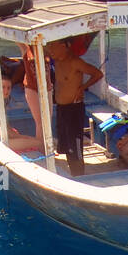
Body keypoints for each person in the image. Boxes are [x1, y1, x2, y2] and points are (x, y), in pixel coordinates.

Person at [48, 39, 103, 176]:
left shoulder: (75, 62)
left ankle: (80, 176)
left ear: (62, 46)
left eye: (52, 46)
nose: (50, 49)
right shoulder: (56, 61)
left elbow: (98, 74)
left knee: (75, 147)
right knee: (66, 146)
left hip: (74, 109)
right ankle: (73, 173)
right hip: (61, 109)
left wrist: (83, 87)